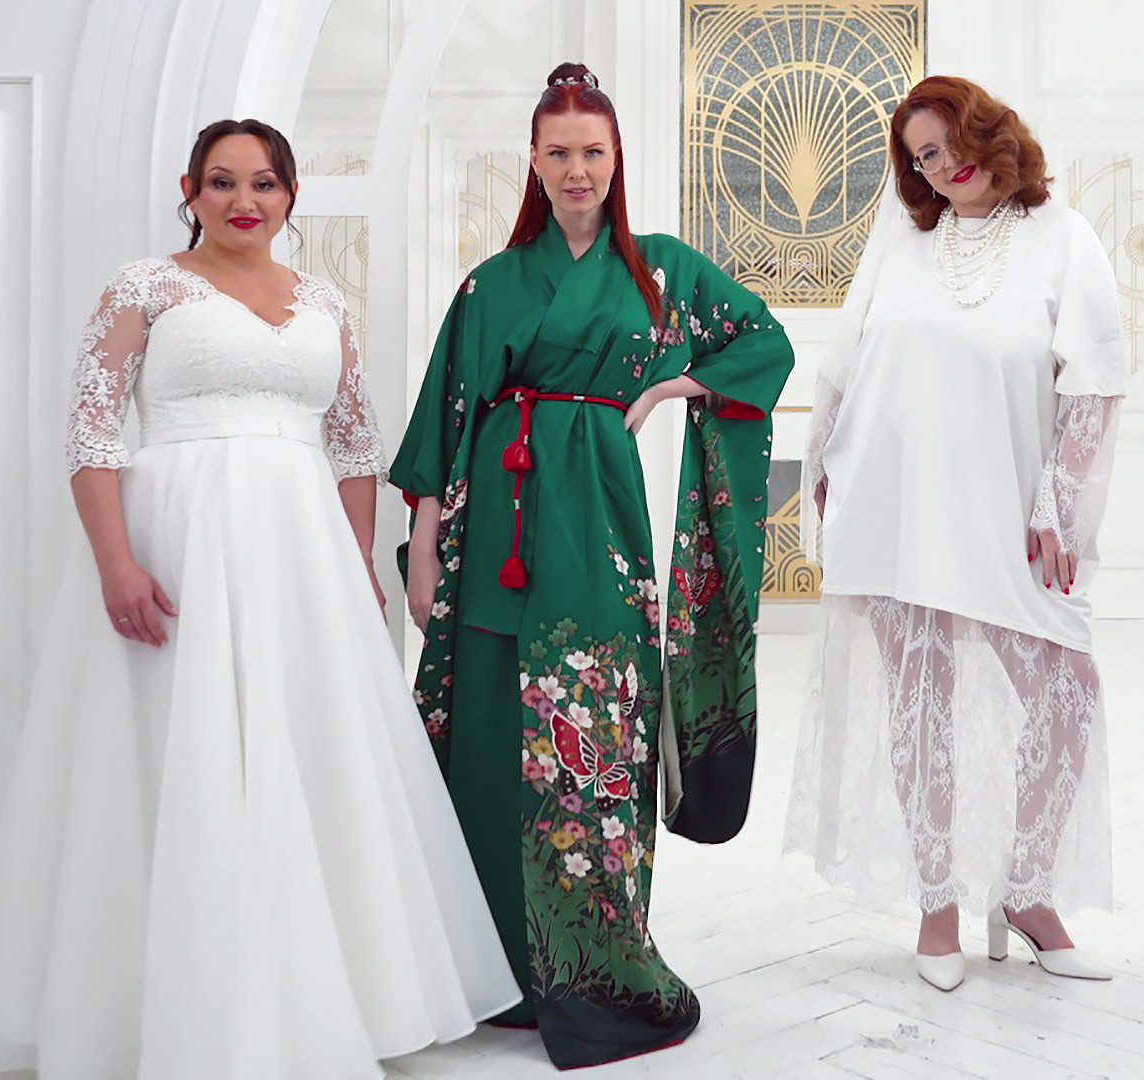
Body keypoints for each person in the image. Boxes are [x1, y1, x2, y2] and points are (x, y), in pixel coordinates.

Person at [0, 119, 520, 1080]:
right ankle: (162, 1006)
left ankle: (327, 996)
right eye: (223, 181)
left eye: (265, 182)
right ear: (190, 191)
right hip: (180, 542)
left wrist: (356, 562)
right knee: (176, 751)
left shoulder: (324, 300)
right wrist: (116, 564)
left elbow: (354, 444)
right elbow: (90, 436)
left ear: (290, 195)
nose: (245, 200)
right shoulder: (143, 287)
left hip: (303, 556)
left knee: (307, 751)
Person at [391, 63, 794, 1069]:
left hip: (601, 519)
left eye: (594, 152)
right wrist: (427, 549)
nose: (578, 170)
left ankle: (593, 968)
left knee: (597, 727)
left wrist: (664, 391)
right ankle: (489, 969)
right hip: (495, 524)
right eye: (559, 152)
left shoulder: (662, 270)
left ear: (617, 160)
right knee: (489, 729)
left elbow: (764, 342)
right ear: (533, 160)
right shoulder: (491, 283)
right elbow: (446, 417)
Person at [783, 75, 1126, 992]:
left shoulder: (1063, 237)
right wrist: (823, 461)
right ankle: (936, 905)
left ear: (991, 129)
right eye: (924, 155)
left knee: (1067, 691)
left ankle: (1026, 891)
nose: (944, 163)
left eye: (952, 139)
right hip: (895, 501)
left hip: (1006, 510)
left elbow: (1093, 379)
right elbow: (846, 359)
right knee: (920, 698)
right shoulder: (901, 240)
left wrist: (1057, 500)